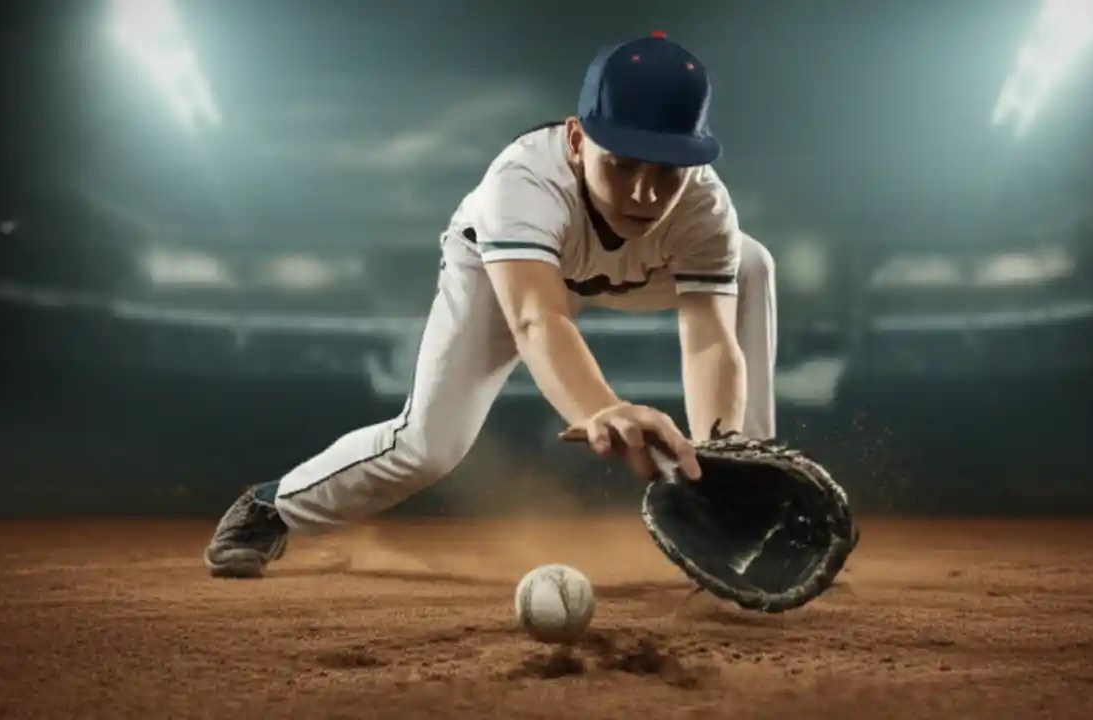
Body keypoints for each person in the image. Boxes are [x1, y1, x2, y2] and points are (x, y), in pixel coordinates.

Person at [203, 31, 778, 578]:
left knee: (750, 264)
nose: (643, 193)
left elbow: (710, 340)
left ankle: (744, 481)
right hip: (504, 273)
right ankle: (272, 507)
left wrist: (713, 462)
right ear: (576, 139)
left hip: (634, 270)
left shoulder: (703, 204)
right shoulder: (522, 181)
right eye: (623, 163)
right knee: (428, 447)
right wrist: (602, 408)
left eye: (668, 170)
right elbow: (537, 317)